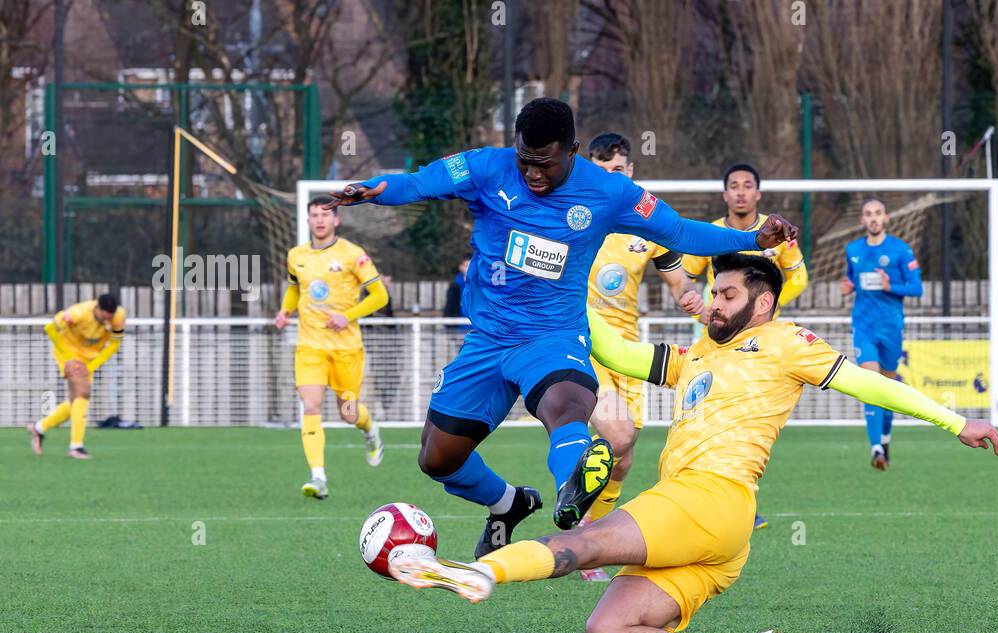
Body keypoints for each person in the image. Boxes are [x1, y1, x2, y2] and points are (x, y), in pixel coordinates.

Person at [388, 254, 998, 633]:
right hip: (714, 535)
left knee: (590, 542)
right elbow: (615, 352)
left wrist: (956, 422)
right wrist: (559, 307)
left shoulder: (787, 342)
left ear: (761, 305)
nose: (712, 301)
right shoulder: (698, 352)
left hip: (712, 497)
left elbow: (870, 385)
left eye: (727, 294)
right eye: (712, 291)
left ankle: (477, 573)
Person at [327, 98, 799, 557]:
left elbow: (678, 232)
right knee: (436, 458)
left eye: (545, 164)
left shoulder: (610, 192)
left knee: (565, 402)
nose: (533, 173)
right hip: (488, 339)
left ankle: (573, 484)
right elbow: (420, 182)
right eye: (525, 161)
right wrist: (374, 189)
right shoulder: (487, 167)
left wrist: (750, 238)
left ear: (572, 151)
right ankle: (508, 504)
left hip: (554, 335)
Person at [578, 132, 705, 581]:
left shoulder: (646, 223)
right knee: (617, 435)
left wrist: (693, 299)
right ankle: (582, 531)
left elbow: (679, 282)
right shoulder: (573, 212)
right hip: (580, 342)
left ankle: (588, 521)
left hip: (627, 352)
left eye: (619, 170)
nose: (611, 177)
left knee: (625, 453)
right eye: (602, 169)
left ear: (631, 171)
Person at [679, 163, 810, 531]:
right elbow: (685, 280)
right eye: (733, 186)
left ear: (758, 193)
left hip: (760, 341)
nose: (740, 192)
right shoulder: (711, 233)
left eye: (747, 185)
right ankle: (709, 495)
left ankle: (738, 497)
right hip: (716, 336)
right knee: (707, 415)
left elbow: (800, 276)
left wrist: (770, 306)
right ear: (725, 195)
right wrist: (695, 307)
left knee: (749, 420)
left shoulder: (777, 231)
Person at [275, 196, 390, 499]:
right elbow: (293, 288)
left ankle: (370, 431)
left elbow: (380, 296)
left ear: (336, 220)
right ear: (309, 220)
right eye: (314, 215)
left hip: (346, 349)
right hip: (310, 346)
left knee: (349, 413)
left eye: (325, 215)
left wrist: (347, 316)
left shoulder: (353, 255)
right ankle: (318, 477)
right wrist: (285, 311)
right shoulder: (296, 255)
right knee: (311, 405)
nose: (320, 220)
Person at [840, 198, 923, 470]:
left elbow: (916, 288)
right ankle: (875, 446)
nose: (873, 218)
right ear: (862, 220)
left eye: (877, 213)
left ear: (886, 218)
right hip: (864, 327)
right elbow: (853, 279)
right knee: (871, 384)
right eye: (868, 214)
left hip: (891, 328)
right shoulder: (852, 250)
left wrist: (891, 285)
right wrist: (848, 286)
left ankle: (885, 441)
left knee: (887, 389)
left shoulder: (900, 250)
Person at [27, 293, 126, 460]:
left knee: (76, 403)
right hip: (68, 352)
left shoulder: (118, 317)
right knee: (83, 395)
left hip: (88, 359)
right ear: (97, 309)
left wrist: (90, 366)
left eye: (110, 318)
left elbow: (114, 344)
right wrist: (69, 358)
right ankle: (76, 448)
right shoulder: (77, 313)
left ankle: (38, 428)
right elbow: (50, 329)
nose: (108, 322)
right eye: (104, 317)